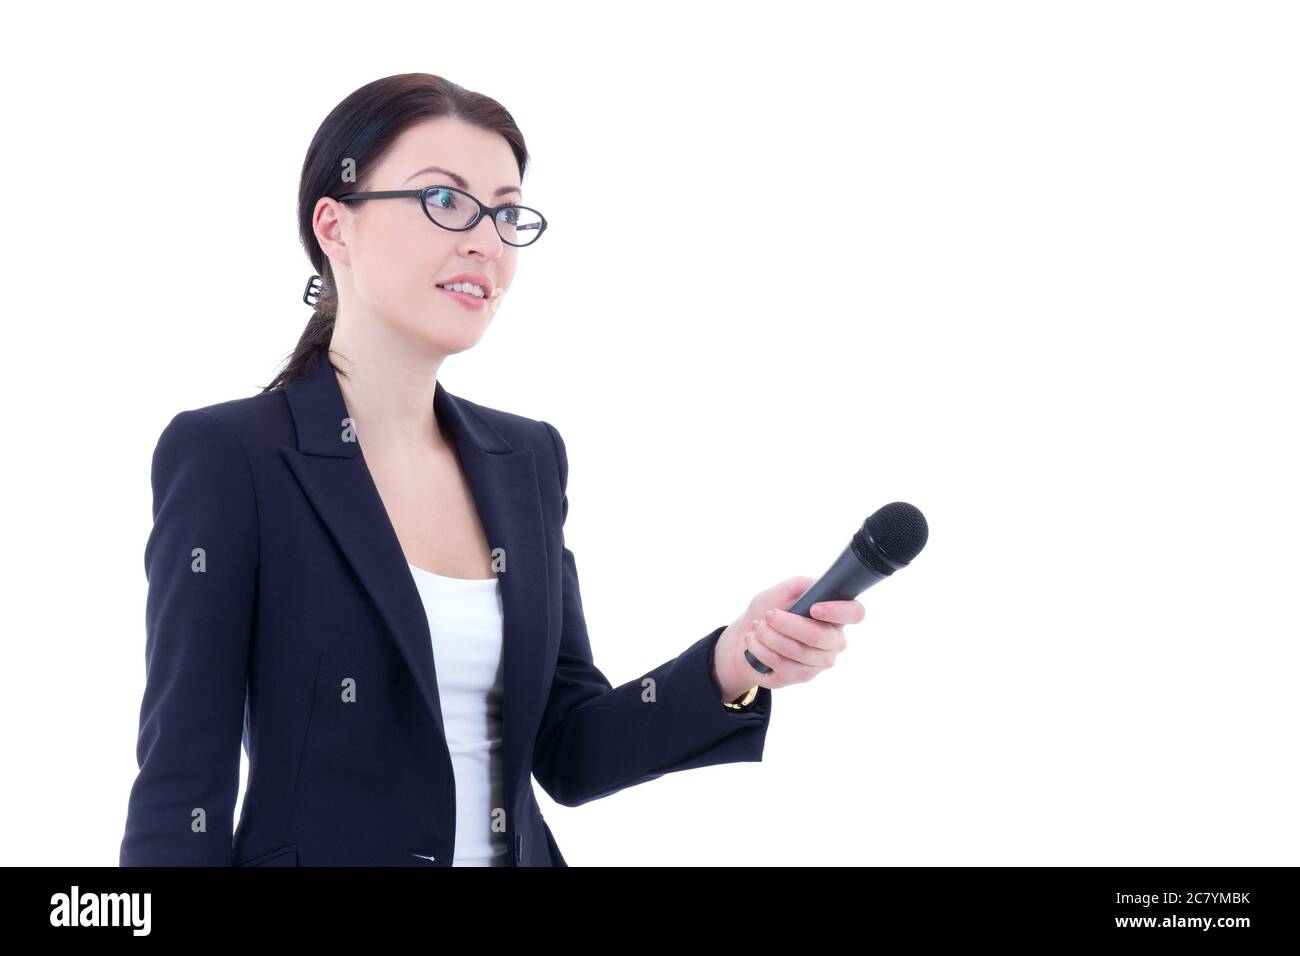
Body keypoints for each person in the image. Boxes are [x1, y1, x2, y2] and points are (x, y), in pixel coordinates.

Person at [119, 72, 864, 867]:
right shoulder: (233, 456)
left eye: (507, 213)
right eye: (444, 201)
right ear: (335, 226)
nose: (486, 240)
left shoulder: (527, 460)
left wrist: (733, 661)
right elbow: (180, 782)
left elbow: (570, 750)